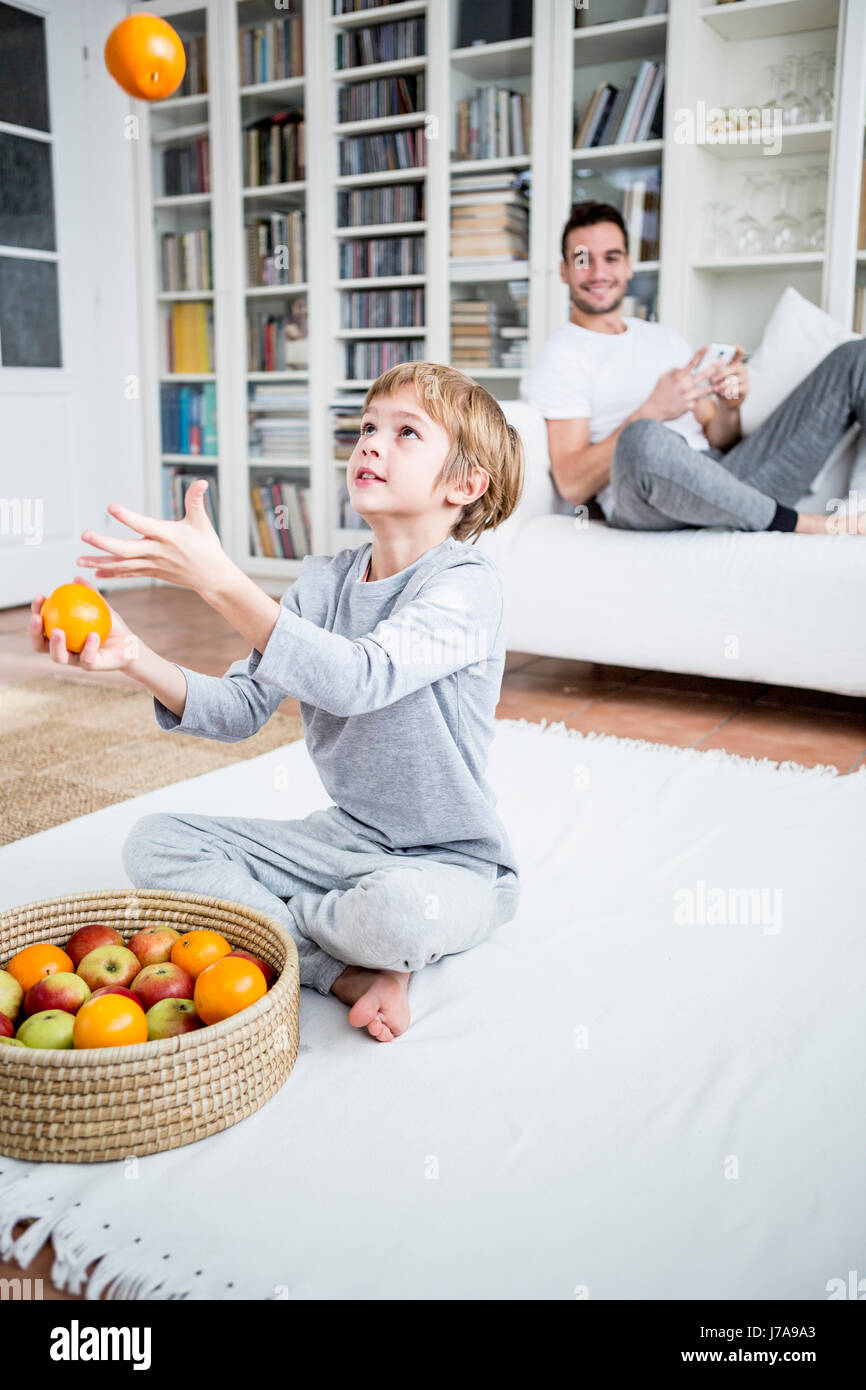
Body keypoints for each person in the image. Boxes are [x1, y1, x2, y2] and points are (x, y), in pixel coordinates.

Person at [28, 362, 525, 1043]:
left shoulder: (467, 585)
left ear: (467, 486)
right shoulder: (321, 584)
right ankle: (337, 965)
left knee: (402, 916)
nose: (372, 444)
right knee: (157, 843)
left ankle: (307, 931)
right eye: (368, 428)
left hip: (449, 865)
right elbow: (239, 711)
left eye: (407, 433)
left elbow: (358, 678)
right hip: (341, 842)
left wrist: (220, 582)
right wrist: (132, 654)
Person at [524, 200, 866, 535]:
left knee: (856, 357)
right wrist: (651, 411)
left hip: (729, 479)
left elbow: (720, 437)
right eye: (583, 260)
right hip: (651, 500)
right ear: (564, 270)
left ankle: (755, 513)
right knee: (642, 437)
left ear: (628, 265)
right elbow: (571, 484)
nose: (599, 272)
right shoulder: (561, 355)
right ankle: (807, 524)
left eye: (611, 258)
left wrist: (730, 407)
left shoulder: (663, 339)